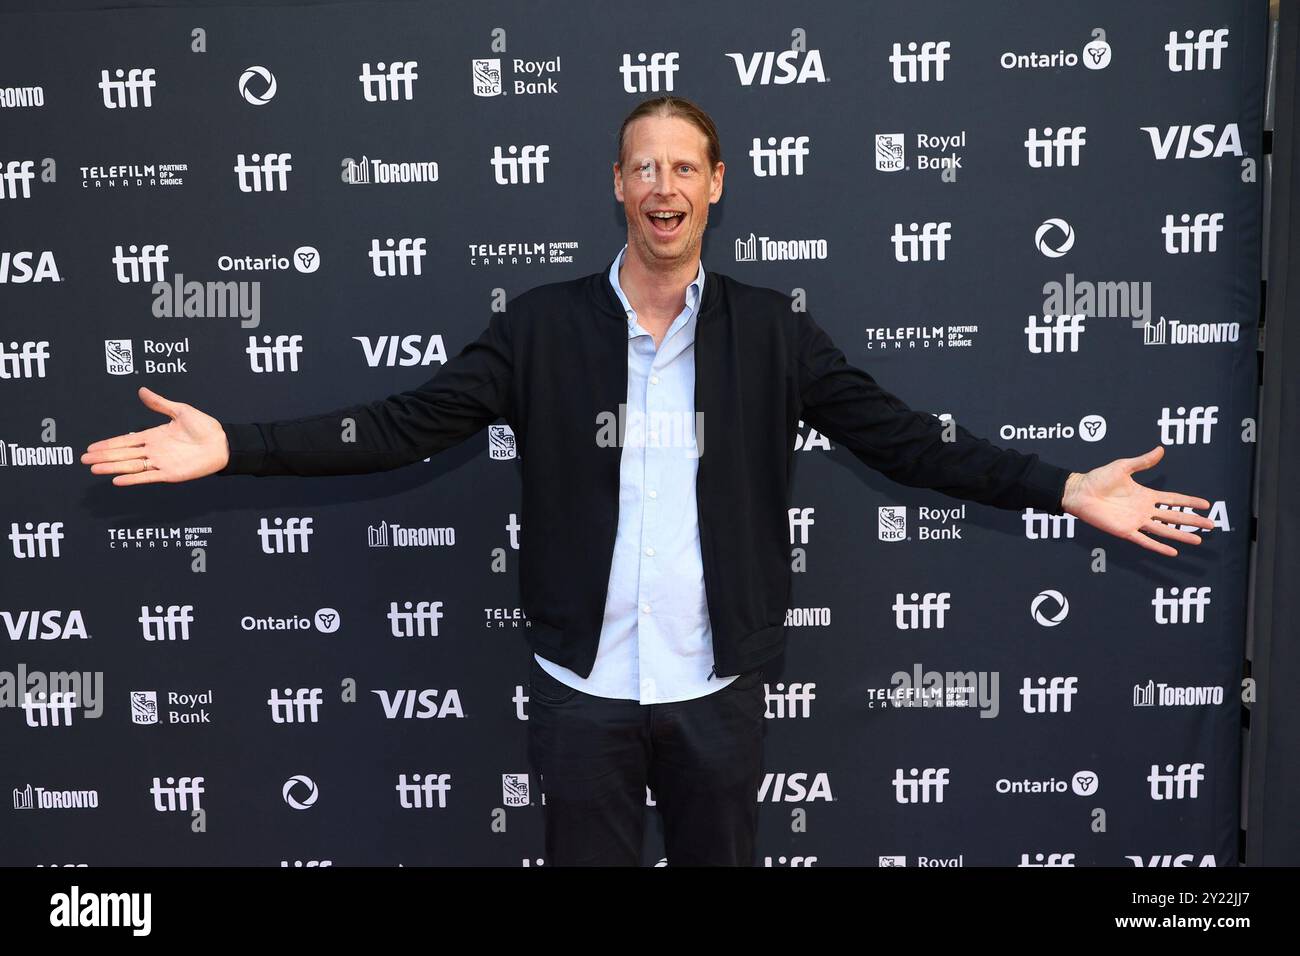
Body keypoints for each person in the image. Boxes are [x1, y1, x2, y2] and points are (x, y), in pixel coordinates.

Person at [81, 95, 1216, 866]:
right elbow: (400, 425)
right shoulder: (539, 328)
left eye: (684, 166)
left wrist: (1065, 485)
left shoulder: (774, 333)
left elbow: (907, 440)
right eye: (643, 167)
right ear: (616, 188)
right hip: (580, 680)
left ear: (717, 184)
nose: (662, 184)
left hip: (715, 683)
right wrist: (237, 441)